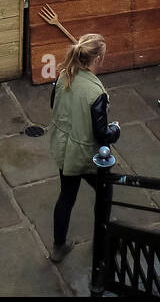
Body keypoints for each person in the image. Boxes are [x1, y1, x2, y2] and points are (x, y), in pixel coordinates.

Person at [48, 34, 119, 263]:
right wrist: (115, 130)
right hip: (85, 153)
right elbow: (101, 133)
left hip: (63, 147)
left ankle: (58, 247)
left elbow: (54, 104)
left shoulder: (63, 75)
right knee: (105, 193)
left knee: (66, 196)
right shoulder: (95, 92)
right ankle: (102, 242)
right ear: (96, 58)